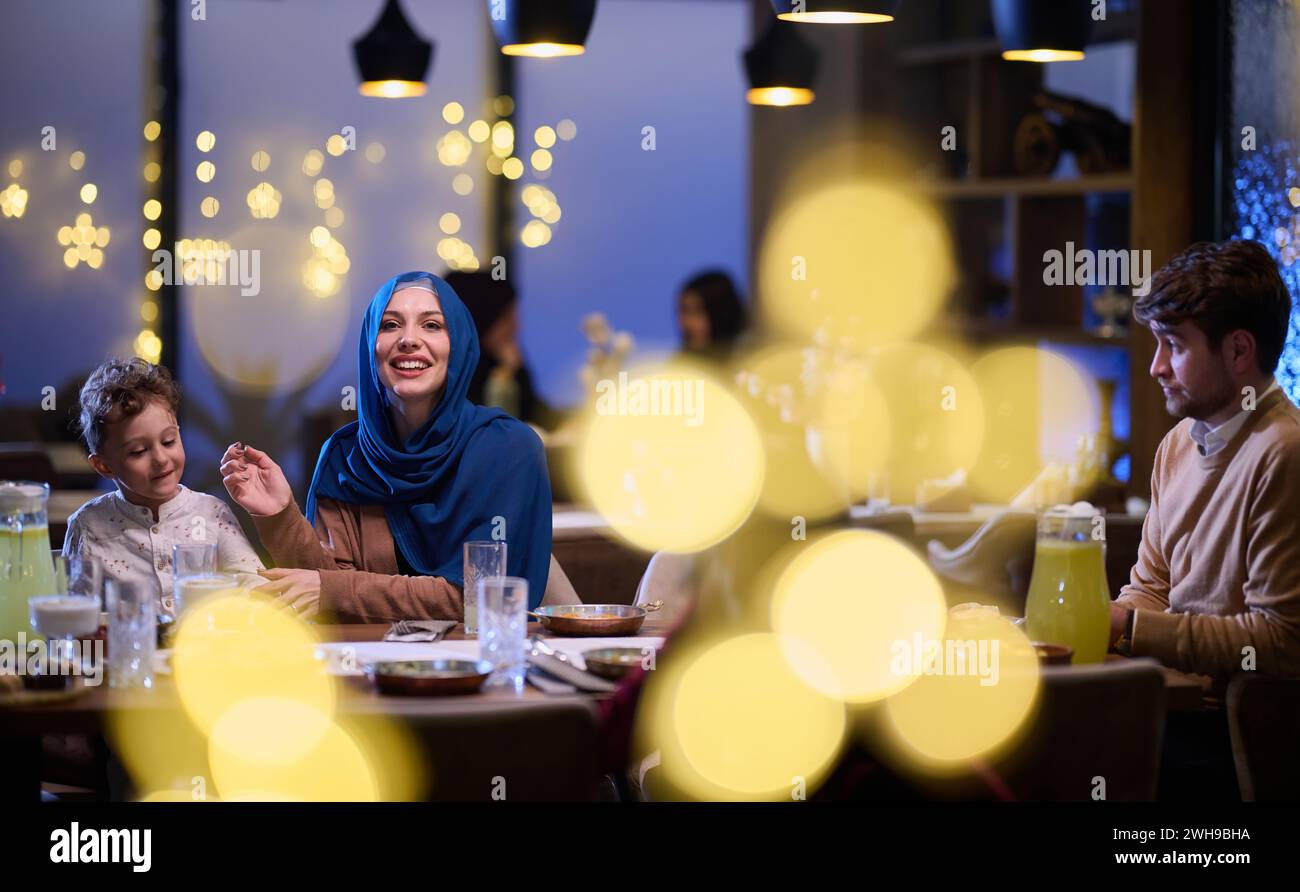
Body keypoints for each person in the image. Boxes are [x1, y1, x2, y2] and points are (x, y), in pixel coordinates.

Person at [221, 272, 565, 622]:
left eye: (431, 325)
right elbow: (324, 601)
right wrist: (281, 517)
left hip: (480, 666)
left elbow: (481, 602)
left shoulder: (507, 448)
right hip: (372, 665)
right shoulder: (346, 457)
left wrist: (337, 591)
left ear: (459, 344)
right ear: (371, 345)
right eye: (389, 325)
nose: (408, 340)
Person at [1112, 240, 1300, 678]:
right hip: (1164, 705)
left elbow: (1280, 641)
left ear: (1238, 351)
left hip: (1227, 733)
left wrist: (1128, 627)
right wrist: (1110, 620)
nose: (1156, 367)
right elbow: (1151, 589)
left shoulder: (1283, 451)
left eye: (1173, 344)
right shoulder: (1177, 444)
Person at [63, 358, 263, 611]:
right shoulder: (88, 526)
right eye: (138, 451)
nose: (160, 459)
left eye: (168, 441)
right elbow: (77, 613)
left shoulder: (212, 512)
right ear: (104, 466)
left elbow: (252, 583)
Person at [442, 270, 556, 429]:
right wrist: (507, 372)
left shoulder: (496, 359)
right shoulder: (447, 371)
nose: (517, 326)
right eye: (507, 317)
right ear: (484, 317)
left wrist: (514, 371)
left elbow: (539, 417)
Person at [676, 270, 747, 361]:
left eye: (696, 312)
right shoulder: (680, 368)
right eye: (682, 312)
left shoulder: (749, 366)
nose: (684, 323)